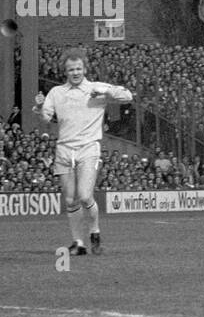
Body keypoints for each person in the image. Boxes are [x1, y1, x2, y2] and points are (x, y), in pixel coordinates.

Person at [34, 47, 134, 255]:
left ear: (85, 69)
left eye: (78, 68)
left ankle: (95, 231)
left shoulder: (96, 88)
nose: (75, 73)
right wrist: (41, 108)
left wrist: (106, 92)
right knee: (70, 200)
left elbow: (128, 96)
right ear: (65, 71)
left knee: (85, 196)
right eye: (71, 70)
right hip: (64, 149)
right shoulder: (56, 92)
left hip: (88, 147)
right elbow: (46, 118)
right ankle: (78, 243)